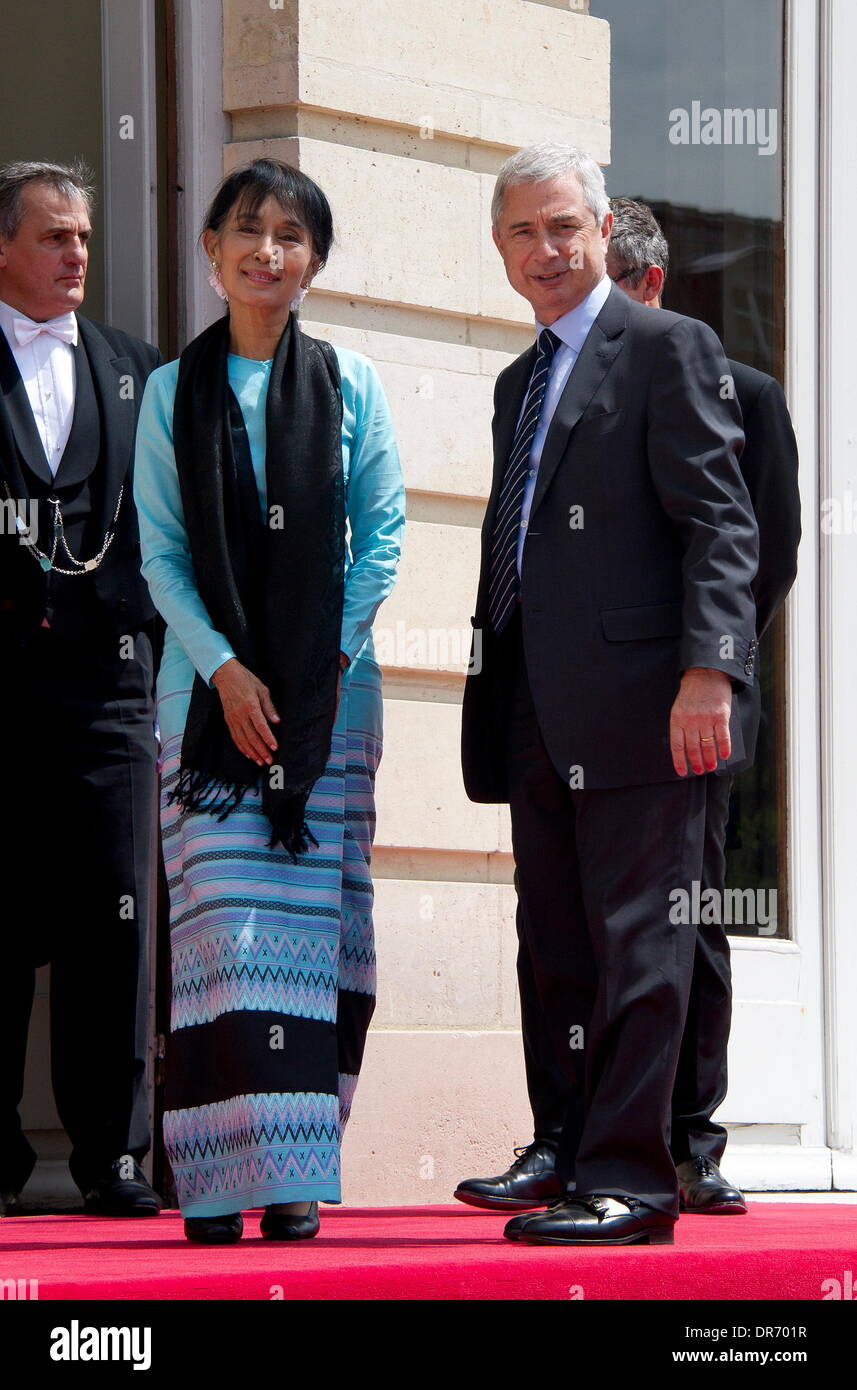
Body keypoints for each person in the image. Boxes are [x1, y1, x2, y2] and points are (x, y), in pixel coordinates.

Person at [455, 195, 800, 1222]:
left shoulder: (667, 346)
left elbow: (725, 528)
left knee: (643, 941)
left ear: (602, 228)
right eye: (519, 232)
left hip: (649, 707)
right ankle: (562, 1145)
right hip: (533, 704)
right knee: (554, 942)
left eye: (561, 225)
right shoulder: (518, 380)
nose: (544, 249)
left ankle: (630, 1176)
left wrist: (712, 672)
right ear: (498, 250)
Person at [134, 158, 405, 1245]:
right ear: (210, 251)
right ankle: (209, 1174)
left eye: (290, 236)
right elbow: (159, 557)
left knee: (317, 935)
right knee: (220, 939)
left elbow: (380, 541)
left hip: (330, 703)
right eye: (246, 231)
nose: (266, 251)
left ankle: (294, 1169)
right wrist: (228, 669)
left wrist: (309, 671)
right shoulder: (168, 393)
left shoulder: (356, 383)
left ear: (315, 262)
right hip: (201, 707)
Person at [0, 160, 161, 1217]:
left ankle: (112, 1155)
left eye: (86, 237)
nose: (77, 256)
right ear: (3, 245)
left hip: (109, 697)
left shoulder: (136, 369)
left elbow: (171, 527)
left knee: (114, 925)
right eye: (55, 236)